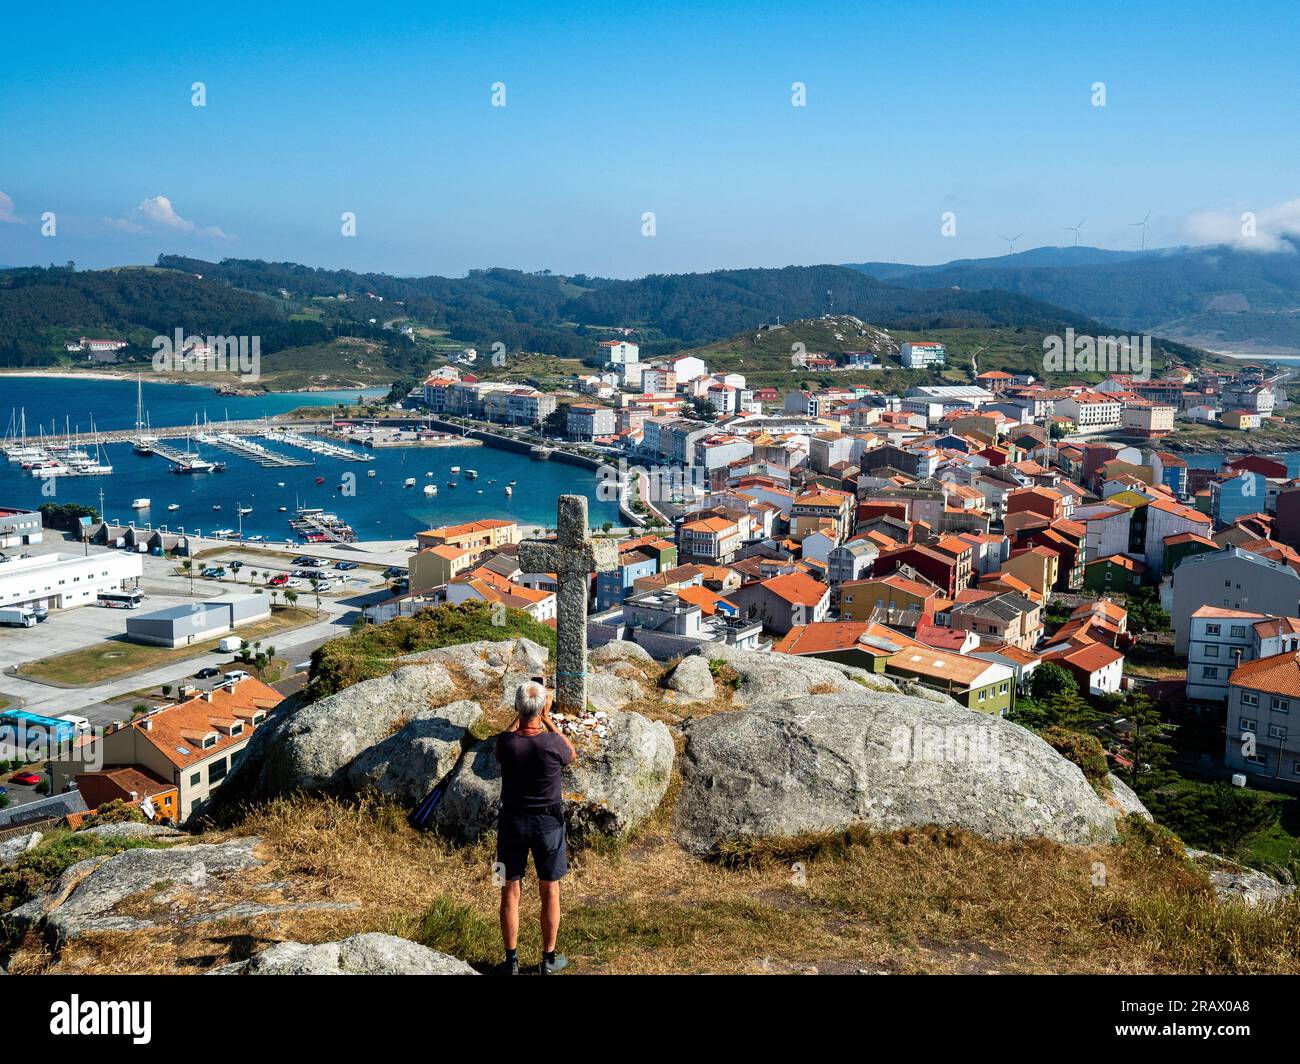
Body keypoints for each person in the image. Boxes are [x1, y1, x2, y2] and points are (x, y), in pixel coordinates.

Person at [492, 678, 575, 975]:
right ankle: (548, 959)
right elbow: (571, 753)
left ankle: (510, 960)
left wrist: (525, 713)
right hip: (548, 824)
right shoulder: (552, 744)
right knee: (549, 889)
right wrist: (547, 717)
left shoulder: (506, 744)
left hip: (511, 823)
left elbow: (509, 733)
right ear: (541, 708)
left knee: (507, 890)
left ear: (517, 707)